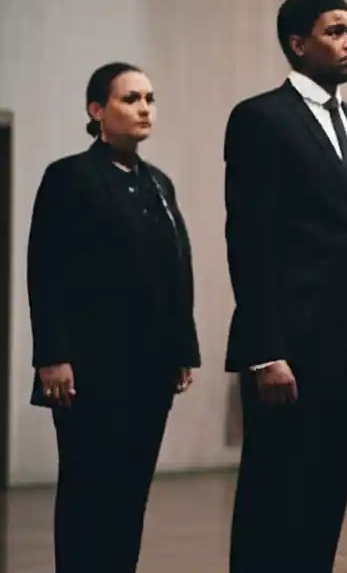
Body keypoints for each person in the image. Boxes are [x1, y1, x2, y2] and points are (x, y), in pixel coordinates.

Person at [224, 0, 347, 570]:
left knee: (326, 494)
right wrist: (266, 350)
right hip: (288, 347)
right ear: (297, 44)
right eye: (335, 32)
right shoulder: (261, 118)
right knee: (272, 494)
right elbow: (249, 239)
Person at [28, 61, 200, 572]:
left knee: (131, 491)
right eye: (130, 99)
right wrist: (52, 355)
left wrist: (182, 349)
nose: (144, 108)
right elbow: (46, 269)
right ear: (97, 110)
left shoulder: (158, 183)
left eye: (150, 98)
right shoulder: (70, 177)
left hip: (149, 368)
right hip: (89, 368)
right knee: (88, 490)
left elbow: (178, 266)